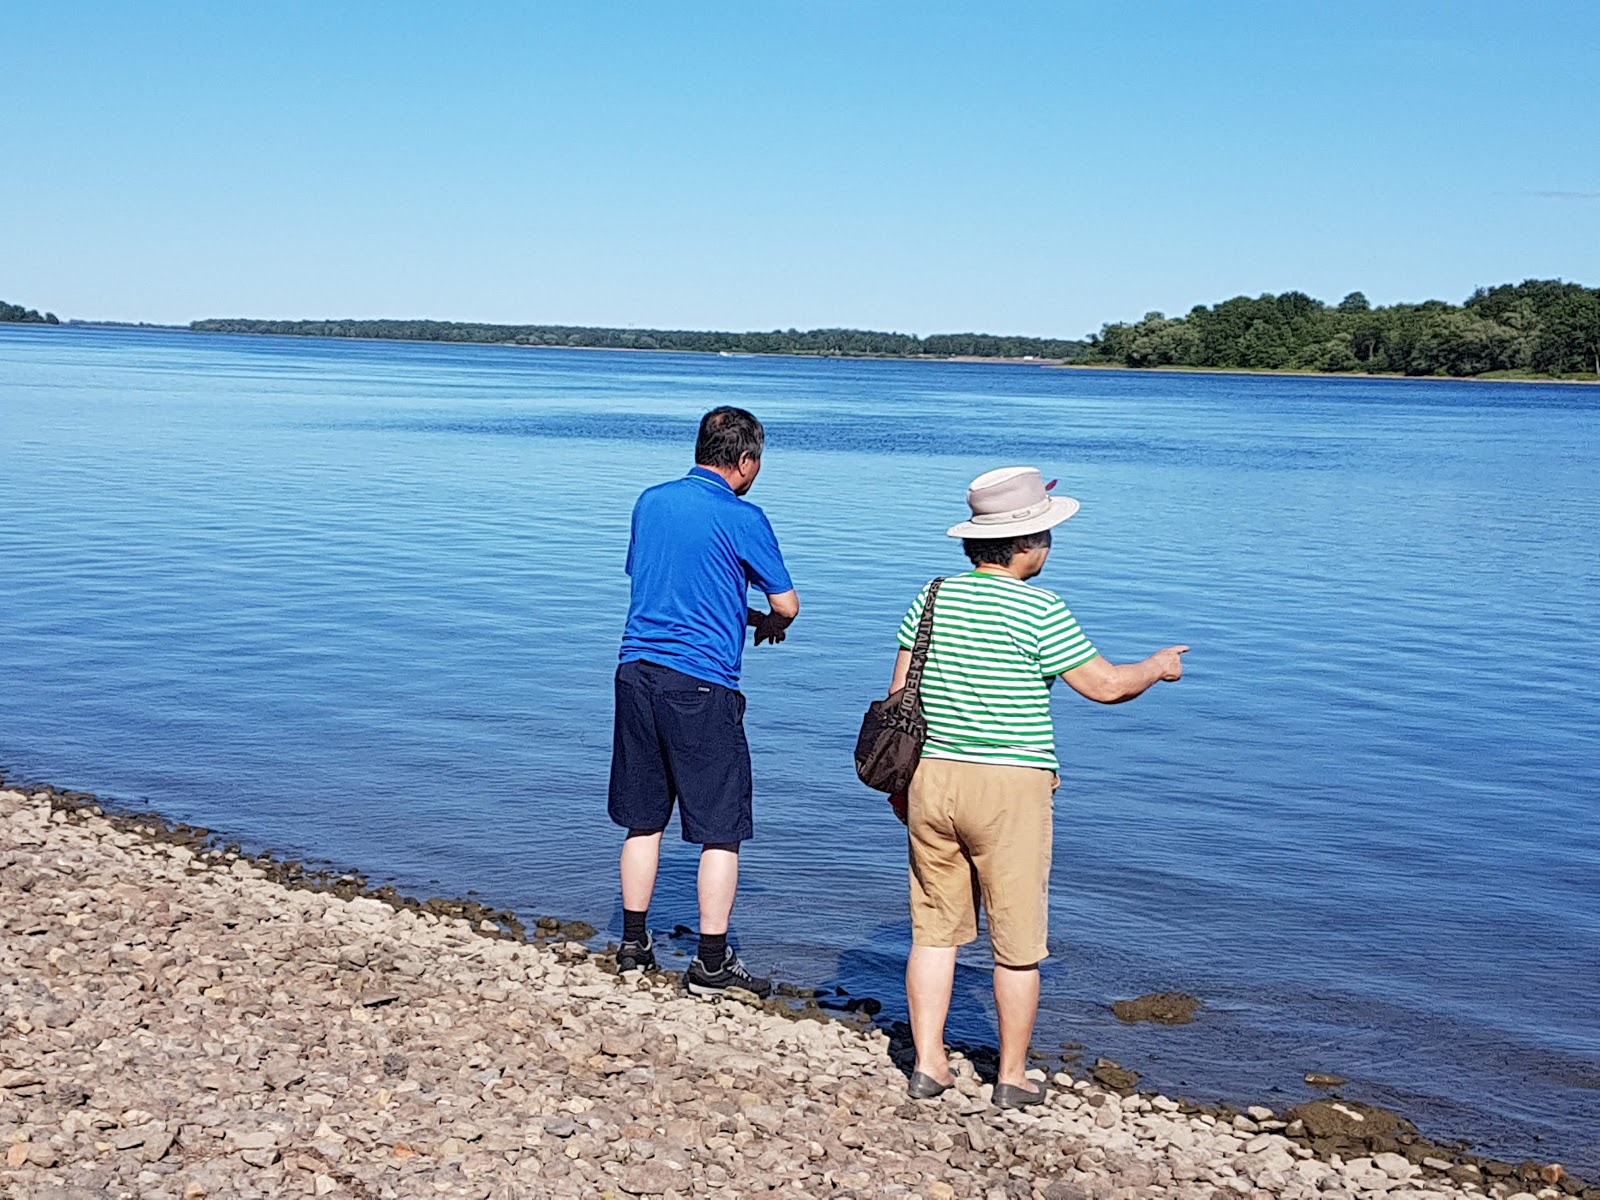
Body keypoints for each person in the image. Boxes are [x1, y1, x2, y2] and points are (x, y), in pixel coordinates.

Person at [890, 466, 1188, 1107]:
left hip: (932, 778)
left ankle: (930, 1065)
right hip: (1010, 789)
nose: (1051, 544)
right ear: (1026, 544)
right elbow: (1105, 687)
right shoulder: (1041, 609)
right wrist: (1157, 668)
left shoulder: (934, 595)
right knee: (1017, 942)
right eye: (1047, 534)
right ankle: (1013, 1077)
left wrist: (902, 785)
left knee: (934, 933)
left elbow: (898, 698)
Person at [608, 406, 800, 999]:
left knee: (645, 818)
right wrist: (765, 620)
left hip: (635, 672)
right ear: (744, 461)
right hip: (700, 684)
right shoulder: (743, 515)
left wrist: (735, 612)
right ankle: (711, 962)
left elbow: (657, 581)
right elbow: (788, 604)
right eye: (758, 465)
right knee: (721, 829)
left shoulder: (651, 500)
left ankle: (633, 946)